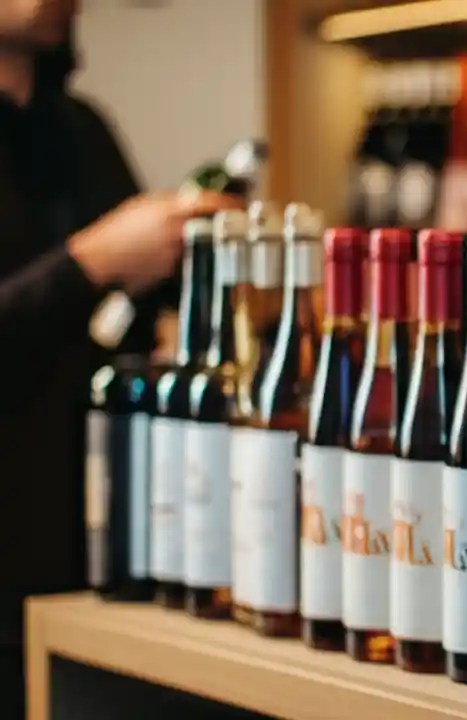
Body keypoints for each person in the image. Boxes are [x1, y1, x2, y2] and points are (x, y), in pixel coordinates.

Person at [0, 0, 239, 712]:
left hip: (102, 561)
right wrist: (92, 260)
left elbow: (126, 320)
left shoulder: (82, 130)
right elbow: (88, 275)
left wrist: (182, 253)